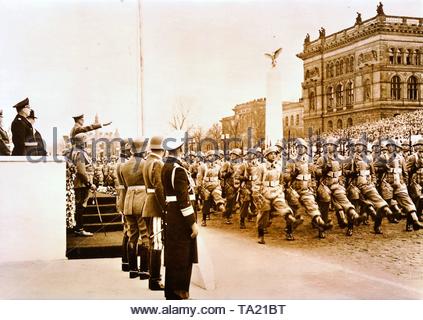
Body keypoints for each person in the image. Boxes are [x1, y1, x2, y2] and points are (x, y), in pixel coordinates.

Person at [161, 131, 198, 300]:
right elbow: (184, 200)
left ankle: (171, 290)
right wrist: (192, 223)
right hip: (181, 217)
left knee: (173, 253)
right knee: (183, 255)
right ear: (180, 148)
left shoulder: (165, 167)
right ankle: (180, 291)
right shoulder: (178, 170)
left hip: (171, 214)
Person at [284, 138, 332, 239]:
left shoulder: (310, 161)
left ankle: (321, 227)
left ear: (306, 149)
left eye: (302, 147)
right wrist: (293, 174)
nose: (300, 149)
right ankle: (289, 231)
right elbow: (286, 177)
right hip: (295, 189)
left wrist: (325, 169)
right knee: (293, 210)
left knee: (313, 208)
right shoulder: (291, 161)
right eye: (298, 147)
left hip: (307, 189)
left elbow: (316, 174)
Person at [119, 138, 150, 279]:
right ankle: (144, 271)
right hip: (142, 201)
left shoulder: (123, 166)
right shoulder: (145, 164)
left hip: (128, 201)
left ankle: (132, 270)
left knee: (132, 235)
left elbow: (123, 188)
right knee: (145, 235)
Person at [142, 136, 166, 291]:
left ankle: (153, 277)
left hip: (148, 203)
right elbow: (159, 188)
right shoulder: (157, 163)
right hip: (155, 206)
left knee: (153, 241)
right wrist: (165, 207)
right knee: (157, 242)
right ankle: (155, 280)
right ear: (162, 149)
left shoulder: (147, 162)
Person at [71, 133, 95, 237]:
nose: (87, 143)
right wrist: (89, 184)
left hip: (81, 183)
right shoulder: (79, 153)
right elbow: (81, 171)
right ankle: (79, 228)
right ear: (81, 142)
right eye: (86, 141)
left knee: (79, 206)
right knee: (80, 206)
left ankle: (79, 228)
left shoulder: (77, 152)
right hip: (81, 184)